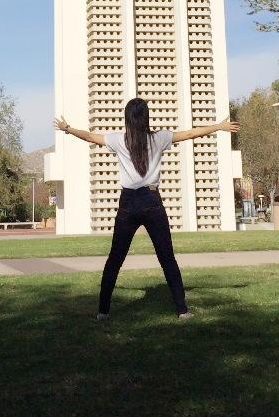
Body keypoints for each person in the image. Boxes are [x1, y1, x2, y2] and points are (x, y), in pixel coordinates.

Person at [54, 99, 239, 320]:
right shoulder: (159, 138)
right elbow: (190, 134)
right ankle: (182, 310)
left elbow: (90, 137)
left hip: (128, 202)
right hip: (151, 200)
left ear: (127, 118)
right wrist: (218, 126)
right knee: (167, 258)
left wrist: (67, 128)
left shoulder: (118, 139)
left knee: (115, 258)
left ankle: (103, 312)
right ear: (146, 117)